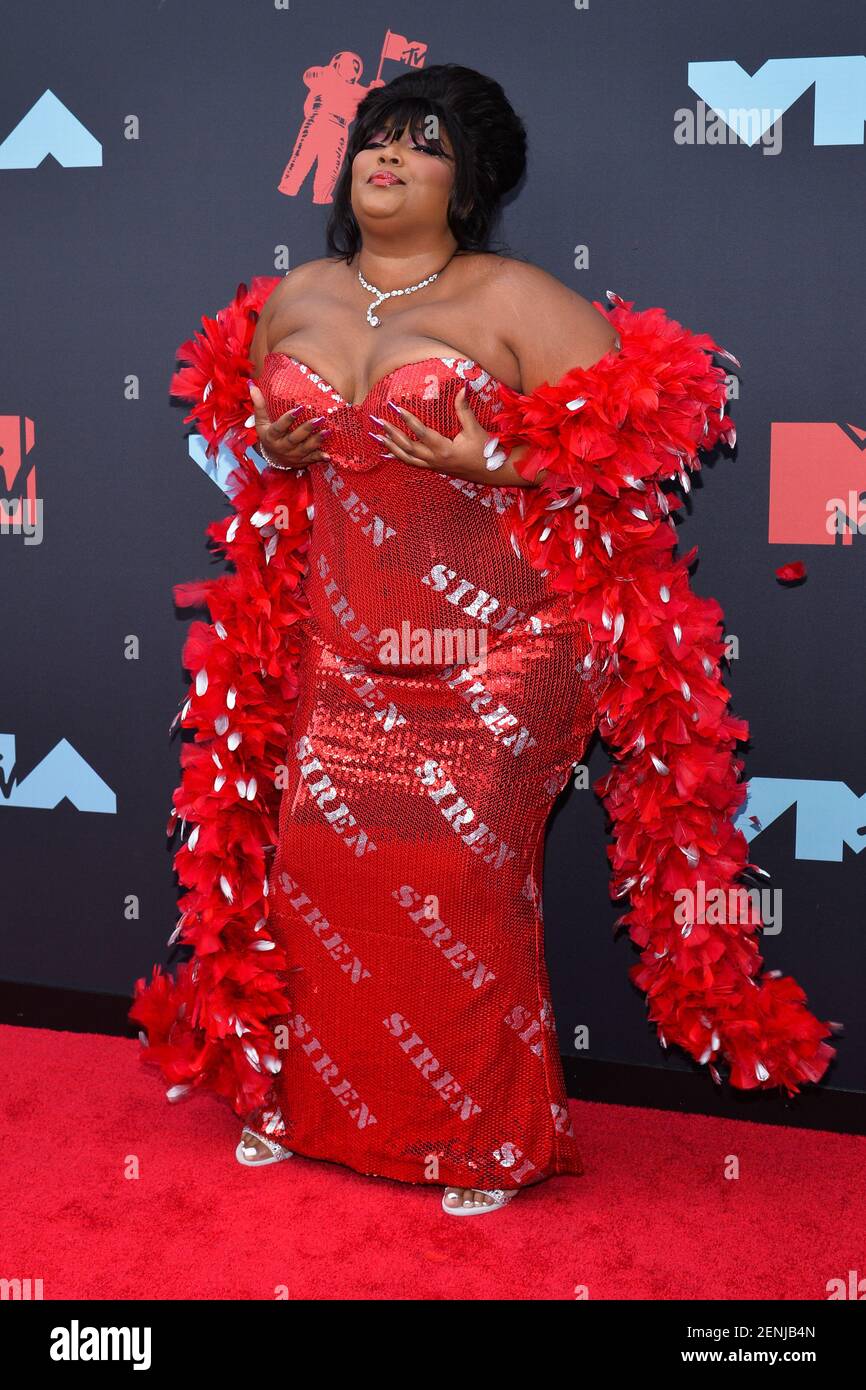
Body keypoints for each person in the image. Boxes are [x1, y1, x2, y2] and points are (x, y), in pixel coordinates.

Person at [131, 64, 836, 1218]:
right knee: (314, 870)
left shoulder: (514, 297)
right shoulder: (291, 297)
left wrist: (499, 461)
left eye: (424, 141)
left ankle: (477, 1136)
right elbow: (254, 473)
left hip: (502, 648)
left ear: (469, 182)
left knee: (458, 880)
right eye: (376, 134)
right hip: (343, 647)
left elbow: (652, 436)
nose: (387, 154)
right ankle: (303, 1109)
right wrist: (274, 449)